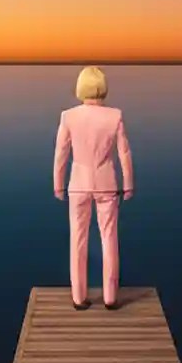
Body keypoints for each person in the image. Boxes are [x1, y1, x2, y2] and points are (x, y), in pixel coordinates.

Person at [53, 66, 134, 311]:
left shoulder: (68, 116)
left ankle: (79, 297)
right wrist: (128, 184)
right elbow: (124, 153)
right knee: (109, 239)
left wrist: (58, 184)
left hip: (78, 184)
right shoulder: (115, 116)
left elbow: (61, 154)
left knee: (77, 240)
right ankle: (110, 297)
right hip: (106, 184)